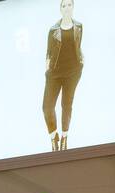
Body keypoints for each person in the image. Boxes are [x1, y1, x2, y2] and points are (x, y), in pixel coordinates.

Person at [42, 0, 84, 151]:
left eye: (69, 5)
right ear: (60, 9)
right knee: (47, 107)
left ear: (73, 7)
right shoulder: (53, 30)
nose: (67, 8)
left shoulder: (79, 26)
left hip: (73, 72)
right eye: (64, 5)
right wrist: (47, 71)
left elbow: (78, 46)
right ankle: (54, 137)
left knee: (66, 105)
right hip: (55, 73)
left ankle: (65, 137)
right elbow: (48, 52)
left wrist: (81, 60)